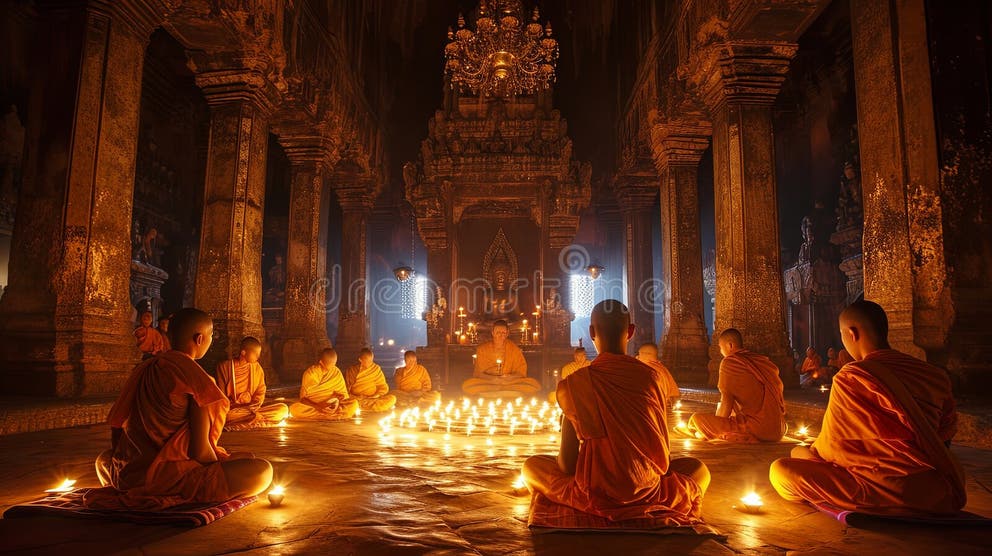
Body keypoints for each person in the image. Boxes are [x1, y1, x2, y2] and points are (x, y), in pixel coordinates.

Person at [769, 301, 966, 515]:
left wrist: (810, 453)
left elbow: (833, 450)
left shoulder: (853, 376)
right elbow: (944, 439)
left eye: (842, 335)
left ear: (851, 333)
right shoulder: (934, 375)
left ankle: (868, 506)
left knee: (782, 469)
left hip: (882, 489)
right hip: (934, 491)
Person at [521, 300, 708, 525]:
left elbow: (567, 466)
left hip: (594, 495)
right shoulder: (653, 378)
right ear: (630, 332)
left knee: (532, 467)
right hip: (647, 491)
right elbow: (664, 462)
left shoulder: (575, 384)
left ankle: (590, 509)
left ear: (591, 332)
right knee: (699, 470)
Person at [84, 308, 272, 510]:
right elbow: (199, 453)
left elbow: (117, 426)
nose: (210, 341)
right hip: (172, 476)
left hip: (132, 474)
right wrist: (223, 461)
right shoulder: (197, 379)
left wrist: (125, 463)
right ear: (200, 339)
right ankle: (170, 493)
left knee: (103, 460)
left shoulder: (143, 369)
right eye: (210, 336)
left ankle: (135, 484)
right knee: (261, 471)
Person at [685, 329, 786, 442]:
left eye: (720, 347)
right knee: (734, 412)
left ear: (730, 345)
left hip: (758, 429)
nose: (720, 351)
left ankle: (725, 433)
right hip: (779, 429)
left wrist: (717, 425)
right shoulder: (761, 362)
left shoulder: (729, 362)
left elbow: (726, 402)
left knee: (696, 419)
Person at [215, 337, 289, 430]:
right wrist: (236, 407)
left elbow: (260, 391)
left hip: (251, 408)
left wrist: (255, 404)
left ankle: (249, 419)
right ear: (243, 352)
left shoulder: (257, 368)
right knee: (225, 416)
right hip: (233, 410)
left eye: (259, 353)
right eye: (255, 353)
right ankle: (253, 419)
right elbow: (221, 396)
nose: (258, 356)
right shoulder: (224, 367)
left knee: (282, 409)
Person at [463, 320, 540, 397]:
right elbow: (478, 374)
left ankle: (497, 390)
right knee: (468, 385)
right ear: (492, 333)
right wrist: (493, 379)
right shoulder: (483, 349)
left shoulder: (514, 348)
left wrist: (508, 378)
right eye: (498, 333)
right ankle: (506, 391)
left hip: (509, 382)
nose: (500, 335)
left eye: (503, 333)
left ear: (507, 334)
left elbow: (521, 372)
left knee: (533, 384)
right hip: (489, 382)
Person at [289, 348, 358, 420]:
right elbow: (303, 399)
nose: (332, 367)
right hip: (315, 406)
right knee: (295, 409)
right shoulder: (310, 373)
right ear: (321, 362)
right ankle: (333, 416)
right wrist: (318, 406)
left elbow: (343, 395)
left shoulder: (336, 371)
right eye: (329, 364)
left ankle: (326, 416)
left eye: (333, 364)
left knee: (354, 403)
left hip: (333, 406)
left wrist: (338, 398)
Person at [345, 348, 397, 413]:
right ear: (360, 360)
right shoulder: (352, 370)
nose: (371, 363)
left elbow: (382, 386)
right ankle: (366, 407)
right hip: (357, 399)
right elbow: (346, 389)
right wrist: (355, 396)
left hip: (373, 399)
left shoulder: (376, 369)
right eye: (368, 361)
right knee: (351, 402)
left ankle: (363, 407)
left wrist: (377, 395)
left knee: (392, 399)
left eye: (371, 361)